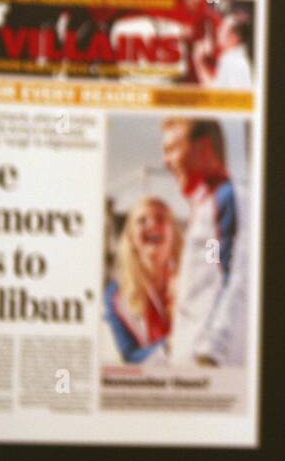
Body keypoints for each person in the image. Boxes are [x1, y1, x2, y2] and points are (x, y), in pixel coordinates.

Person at [162, 118, 248, 367]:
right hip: (189, 362)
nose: (165, 161)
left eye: (171, 149)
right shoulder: (205, 204)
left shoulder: (227, 197)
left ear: (203, 149)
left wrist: (210, 353)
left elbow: (234, 277)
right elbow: (214, 273)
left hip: (206, 366)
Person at [104, 196, 181, 364]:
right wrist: (170, 345)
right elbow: (130, 357)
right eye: (141, 220)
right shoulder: (116, 295)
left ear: (173, 234)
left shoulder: (193, 283)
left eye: (160, 219)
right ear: (131, 237)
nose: (152, 224)